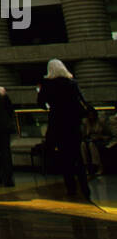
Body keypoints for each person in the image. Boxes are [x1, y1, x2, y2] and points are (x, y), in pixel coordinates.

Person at [37, 59, 91, 200]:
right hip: (73, 123)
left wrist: (51, 107)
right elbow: (82, 101)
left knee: (65, 157)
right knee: (77, 155)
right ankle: (84, 186)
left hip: (58, 123)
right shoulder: (72, 83)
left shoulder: (47, 84)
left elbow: (41, 103)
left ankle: (71, 187)